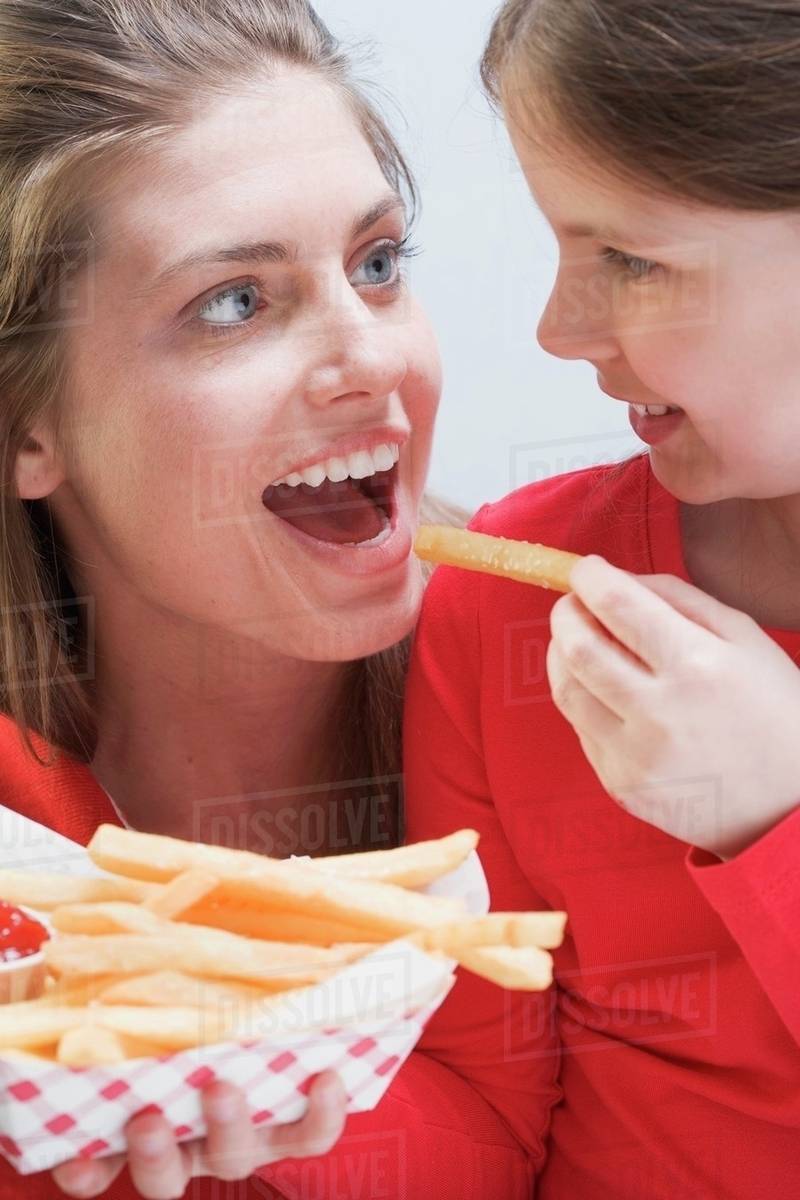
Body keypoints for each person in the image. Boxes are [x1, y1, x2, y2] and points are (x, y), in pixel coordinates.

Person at [0, 1, 485, 1196]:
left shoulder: (591, 700)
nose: (373, 360)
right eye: (236, 301)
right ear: (26, 427)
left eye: (376, 264)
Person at [395, 1, 800, 1196]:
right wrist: (248, 1085)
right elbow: (483, 1111)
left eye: (630, 259)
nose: (557, 330)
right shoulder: (508, 603)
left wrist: (770, 815)